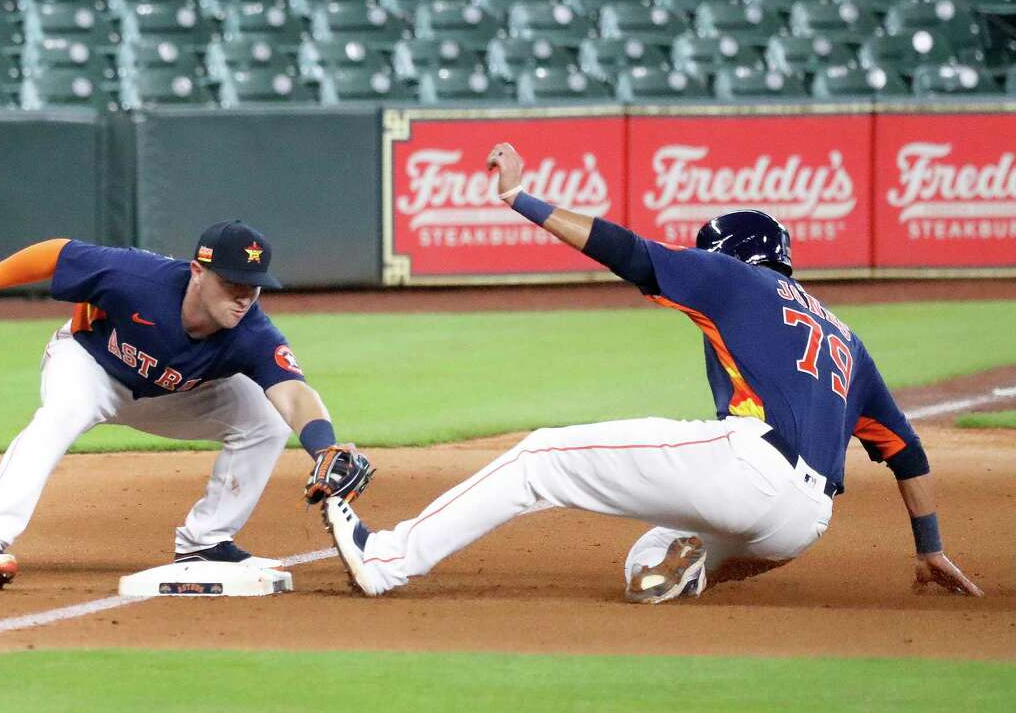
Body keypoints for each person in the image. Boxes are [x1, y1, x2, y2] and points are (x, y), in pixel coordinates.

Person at [323, 142, 982, 603]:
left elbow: (629, 252)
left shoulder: (731, 276)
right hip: (803, 524)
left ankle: (385, 561)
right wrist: (928, 546)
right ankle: (680, 575)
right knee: (647, 564)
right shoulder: (845, 337)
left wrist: (520, 198)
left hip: (753, 464)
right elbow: (904, 450)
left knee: (539, 458)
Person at [0, 220, 362, 589]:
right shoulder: (137, 277)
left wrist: (325, 447)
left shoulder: (253, 332)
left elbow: (293, 392)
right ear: (197, 271)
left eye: (252, 287)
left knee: (268, 417)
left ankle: (206, 543)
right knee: (59, 416)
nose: (243, 298)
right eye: (231, 283)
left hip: (170, 396)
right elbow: (58, 253)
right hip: (90, 366)